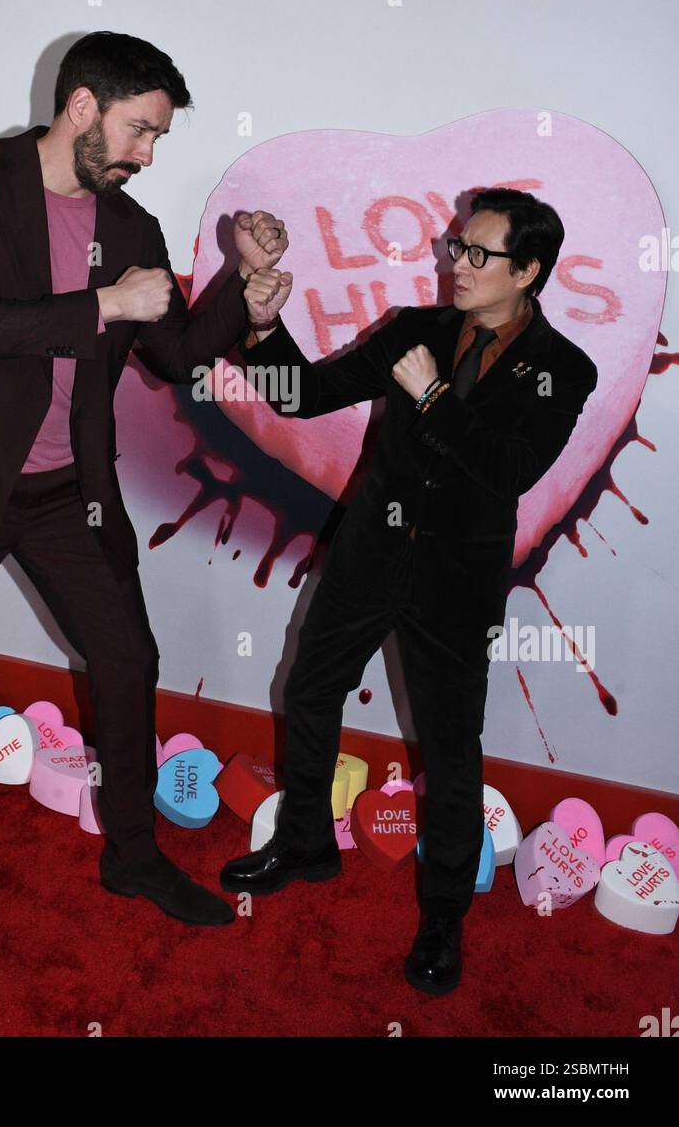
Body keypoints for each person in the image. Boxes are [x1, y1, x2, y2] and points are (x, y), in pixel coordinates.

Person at [0, 31, 287, 967]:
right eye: (139, 130)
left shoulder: (134, 228)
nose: (147, 155)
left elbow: (178, 354)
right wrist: (105, 306)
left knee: (127, 661)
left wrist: (249, 296)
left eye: (155, 139)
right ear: (82, 107)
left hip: (73, 492)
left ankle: (134, 857)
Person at [219, 188, 598, 995]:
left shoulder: (565, 368)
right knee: (311, 688)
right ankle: (306, 844)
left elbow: (508, 471)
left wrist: (430, 397)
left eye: (478, 254)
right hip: (368, 554)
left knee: (450, 749)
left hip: (457, 580)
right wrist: (260, 326)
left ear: (528, 271)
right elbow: (303, 396)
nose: (455, 264)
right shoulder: (415, 328)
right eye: (456, 246)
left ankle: (443, 916)